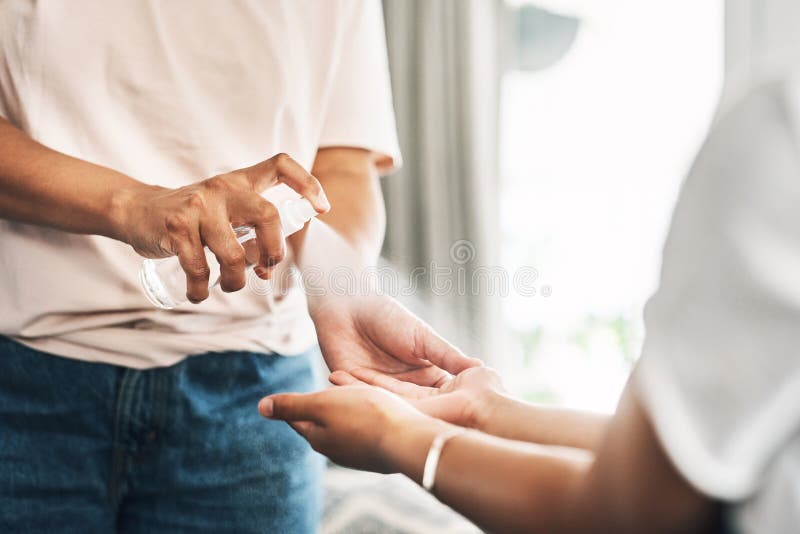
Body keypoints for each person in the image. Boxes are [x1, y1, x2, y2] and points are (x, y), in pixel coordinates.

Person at [0, 1, 478, 531]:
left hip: (255, 391)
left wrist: (340, 287)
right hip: (25, 370)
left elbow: (342, 165)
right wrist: (133, 205)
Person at [260, 71, 800, 533]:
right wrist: (485, 410)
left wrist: (398, 436)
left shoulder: (781, 135)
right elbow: (676, 459)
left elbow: (621, 513)